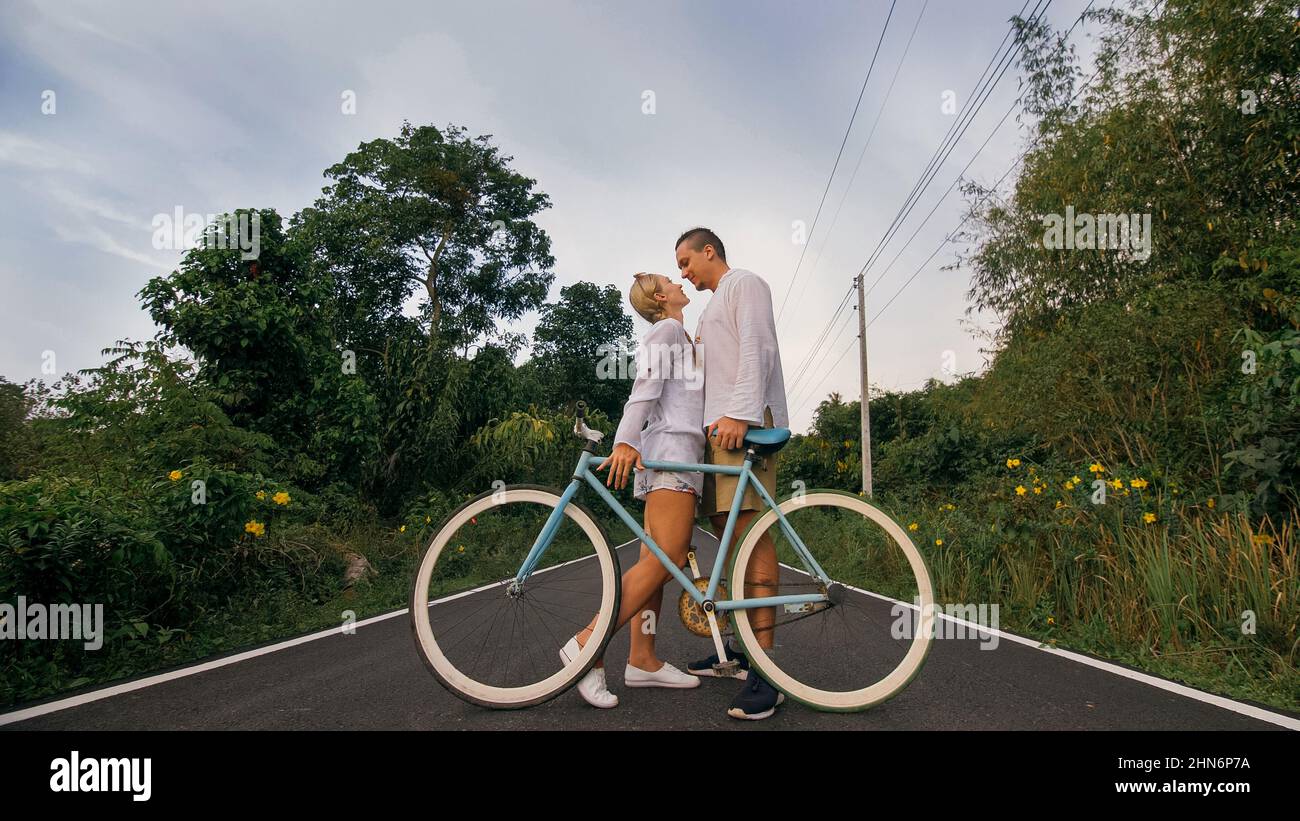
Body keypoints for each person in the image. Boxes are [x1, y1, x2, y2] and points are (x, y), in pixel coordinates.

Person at [560, 272, 705, 708]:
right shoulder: (668, 328)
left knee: (653, 563)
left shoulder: (683, 333)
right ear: (661, 298)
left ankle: (642, 658)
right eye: (670, 278)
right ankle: (587, 643)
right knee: (668, 559)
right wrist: (626, 440)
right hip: (671, 455)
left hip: (675, 454)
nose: (680, 280)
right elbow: (646, 386)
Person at [674, 227, 790, 721]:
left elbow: (757, 348)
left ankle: (769, 676)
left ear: (709, 251)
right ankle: (742, 654)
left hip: (742, 427)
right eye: (677, 266)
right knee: (727, 541)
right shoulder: (708, 309)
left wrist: (741, 414)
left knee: (751, 539)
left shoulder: (745, 283)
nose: (683, 271)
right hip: (717, 435)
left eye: (686, 260)